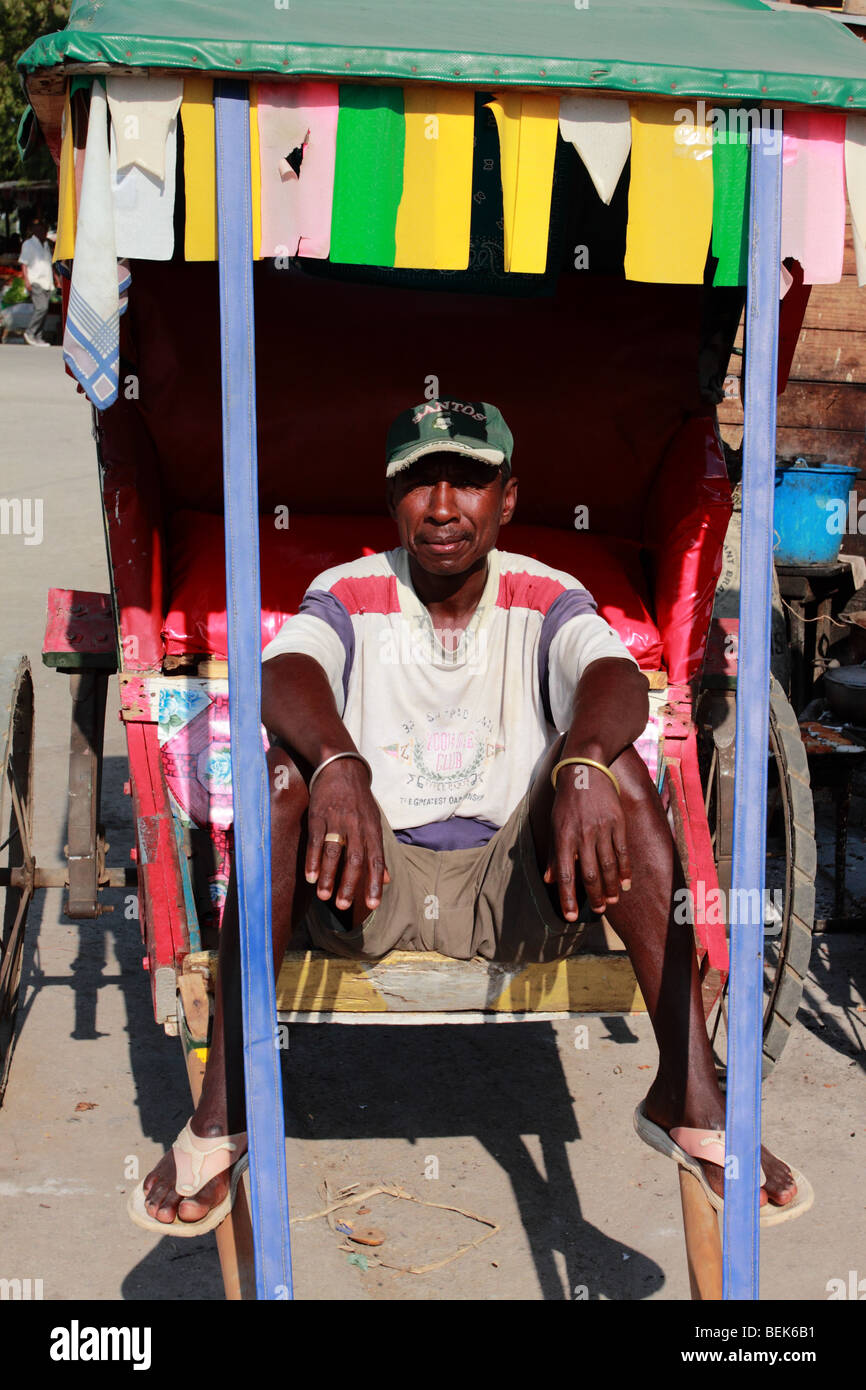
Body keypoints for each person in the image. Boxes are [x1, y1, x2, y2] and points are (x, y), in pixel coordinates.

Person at [131, 397, 807, 1235]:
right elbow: (286, 672)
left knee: (620, 772)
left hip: (519, 890)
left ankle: (689, 1092)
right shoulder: (348, 591)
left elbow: (613, 677)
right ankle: (223, 1109)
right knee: (282, 777)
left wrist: (585, 762)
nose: (444, 507)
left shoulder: (545, 593)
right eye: (421, 483)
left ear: (508, 499)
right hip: (367, 886)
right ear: (391, 500)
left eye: (470, 483)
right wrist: (337, 762)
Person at [18, 218, 54, 347]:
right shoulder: (28, 244)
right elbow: (24, 263)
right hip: (35, 280)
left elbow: (49, 264)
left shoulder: (45, 245)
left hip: (47, 281)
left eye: (43, 230)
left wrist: (56, 279)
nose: (42, 232)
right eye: (38, 230)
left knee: (45, 310)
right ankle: (30, 332)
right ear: (34, 231)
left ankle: (38, 337)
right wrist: (26, 281)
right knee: (41, 308)